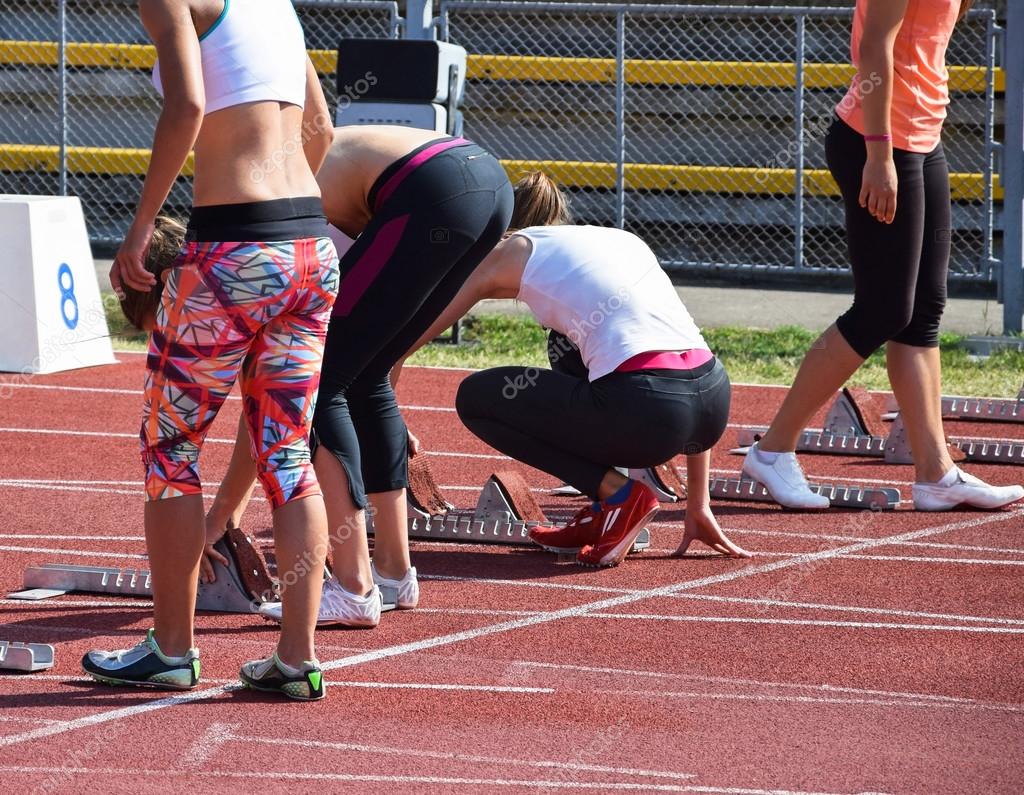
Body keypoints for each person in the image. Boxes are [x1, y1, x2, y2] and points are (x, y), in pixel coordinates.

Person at [81, 0, 340, 701]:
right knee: (287, 453)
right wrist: (284, 206)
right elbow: (322, 127)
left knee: (170, 447)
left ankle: (171, 647)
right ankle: (296, 658)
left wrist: (140, 229)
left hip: (233, 246)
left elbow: (187, 104)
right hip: (308, 245)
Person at [197, 125, 514, 627]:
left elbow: (275, 393)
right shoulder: (280, 192)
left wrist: (223, 512)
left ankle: (353, 587)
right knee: (365, 379)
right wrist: (226, 509)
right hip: (485, 181)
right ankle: (393, 572)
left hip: (431, 188)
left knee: (316, 384)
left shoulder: (261, 222)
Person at [741, 0, 1023, 512]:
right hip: (878, 141)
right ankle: (772, 451)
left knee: (923, 311)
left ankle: (936, 474)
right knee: (883, 309)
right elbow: (875, 44)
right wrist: (878, 152)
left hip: (922, 136)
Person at [393, 173, 751, 567]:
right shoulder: (619, 240)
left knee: (477, 398)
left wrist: (385, 413)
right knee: (566, 350)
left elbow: (406, 340)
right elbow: (682, 356)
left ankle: (620, 495)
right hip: (711, 400)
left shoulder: (509, 252)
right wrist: (698, 504)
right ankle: (607, 506)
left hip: (649, 410)